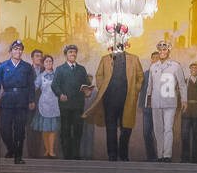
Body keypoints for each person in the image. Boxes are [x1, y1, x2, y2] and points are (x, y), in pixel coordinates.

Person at [84, 30, 144, 161]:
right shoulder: (106, 59)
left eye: (121, 42)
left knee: (126, 128)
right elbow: (99, 75)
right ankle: (112, 154)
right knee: (110, 128)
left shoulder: (134, 59)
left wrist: (135, 91)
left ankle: (123, 154)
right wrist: (103, 88)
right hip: (109, 99)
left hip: (127, 98)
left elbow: (140, 76)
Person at [0, 40, 37, 165]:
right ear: (11, 51)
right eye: (16, 49)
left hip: (22, 101)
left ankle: (18, 156)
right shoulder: (3, 65)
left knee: (19, 130)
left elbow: (31, 86)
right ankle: (12, 149)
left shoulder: (27, 67)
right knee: (5, 130)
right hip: (7, 99)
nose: (18, 51)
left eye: (20, 49)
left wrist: (31, 100)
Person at [51, 44, 93, 160]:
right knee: (65, 130)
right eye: (70, 52)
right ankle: (67, 156)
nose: (73, 54)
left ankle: (75, 155)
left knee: (78, 130)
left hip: (78, 105)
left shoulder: (81, 69)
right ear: (65, 55)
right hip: (65, 105)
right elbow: (54, 85)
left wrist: (87, 90)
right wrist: (60, 94)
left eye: (74, 52)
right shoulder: (60, 69)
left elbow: (86, 85)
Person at [146, 40, 184, 162]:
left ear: (168, 51)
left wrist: (184, 100)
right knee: (158, 129)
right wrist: (148, 100)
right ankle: (160, 155)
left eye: (164, 50)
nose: (162, 52)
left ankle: (167, 155)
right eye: (160, 50)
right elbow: (149, 86)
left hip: (170, 102)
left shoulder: (175, 66)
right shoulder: (153, 67)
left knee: (168, 128)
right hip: (156, 102)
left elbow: (182, 85)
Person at [33, 53, 61, 157]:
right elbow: (35, 87)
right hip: (43, 104)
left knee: (53, 129)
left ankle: (52, 150)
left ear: (52, 63)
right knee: (45, 129)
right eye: (46, 62)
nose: (49, 63)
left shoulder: (57, 75)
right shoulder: (40, 76)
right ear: (43, 64)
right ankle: (47, 150)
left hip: (54, 103)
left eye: (50, 61)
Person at [181, 62, 197, 163]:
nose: (193, 69)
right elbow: (180, 95)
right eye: (192, 67)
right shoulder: (185, 81)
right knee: (185, 135)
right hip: (186, 113)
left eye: (196, 67)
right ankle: (185, 159)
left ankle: (195, 159)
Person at [139, 51, 160, 161]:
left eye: (158, 58)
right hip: (147, 107)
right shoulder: (145, 74)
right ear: (151, 60)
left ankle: (162, 156)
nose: (156, 60)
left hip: (160, 108)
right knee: (146, 133)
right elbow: (139, 88)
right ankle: (151, 157)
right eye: (154, 58)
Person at [27, 48, 45, 156]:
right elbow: (25, 87)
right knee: (30, 128)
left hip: (42, 104)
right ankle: (31, 154)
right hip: (30, 103)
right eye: (37, 56)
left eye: (40, 56)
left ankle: (37, 154)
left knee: (40, 128)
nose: (39, 58)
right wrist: (30, 100)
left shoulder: (45, 70)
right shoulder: (27, 70)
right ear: (32, 58)